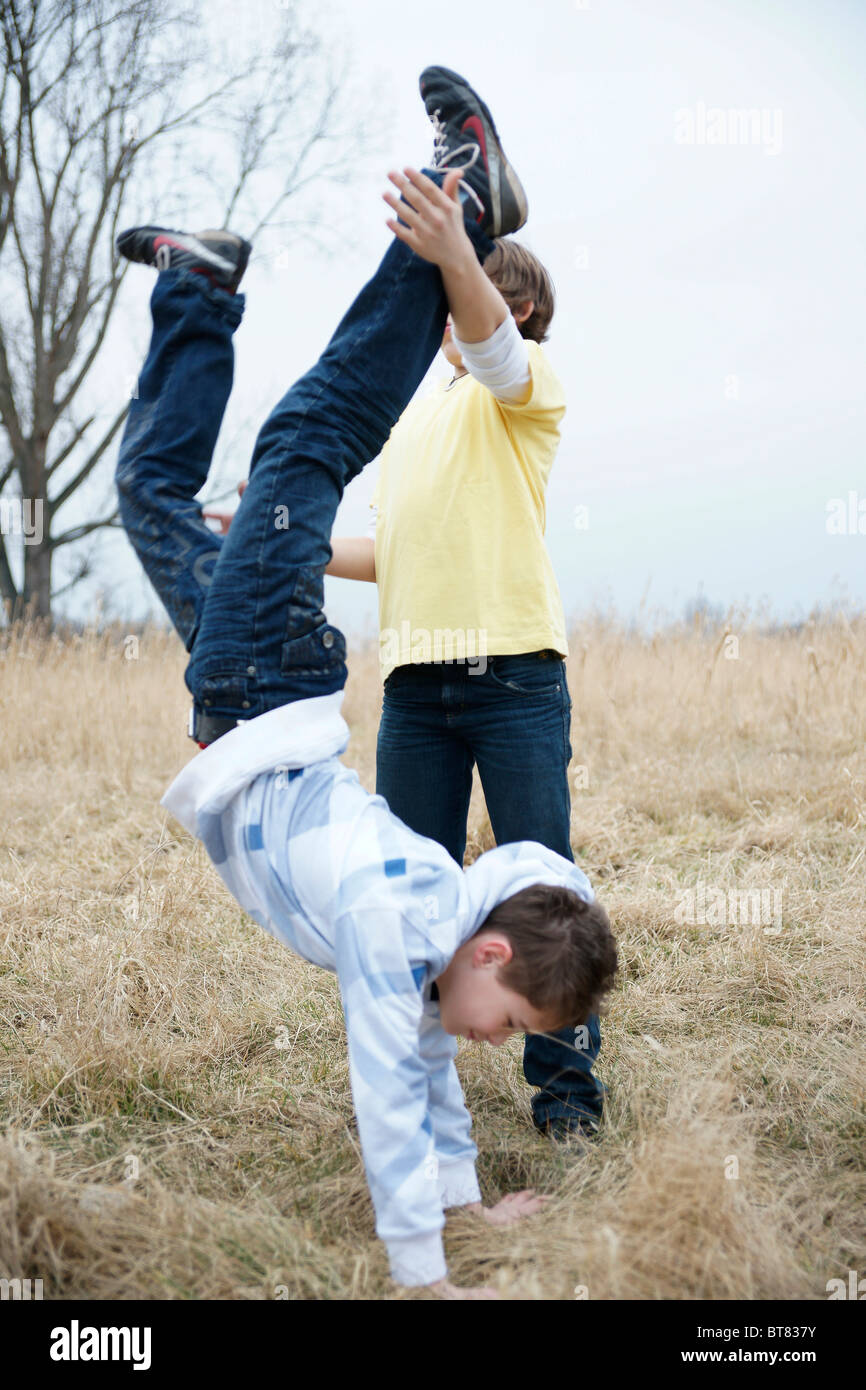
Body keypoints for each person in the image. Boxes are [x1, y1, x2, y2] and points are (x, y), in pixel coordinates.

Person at [114, 66, 618, 1297]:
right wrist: (425, 1265)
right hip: (273, 693)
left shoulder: (520, 393)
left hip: (464, 677)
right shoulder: (417, 925)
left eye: (471, 277)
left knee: (154, 496)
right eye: (506, 1025)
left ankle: (197, 280)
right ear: (486, 959)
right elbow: (398, 1078)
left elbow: (418, 1056)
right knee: (312, 436)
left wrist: (457, 1206)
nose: (474, 1042)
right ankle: (457, 179)